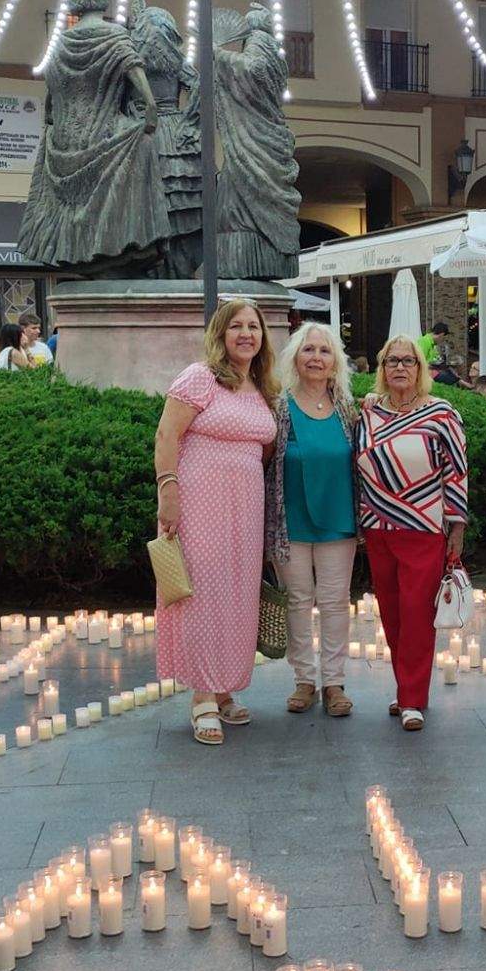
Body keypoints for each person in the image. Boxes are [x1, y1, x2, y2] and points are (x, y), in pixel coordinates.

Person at [154, 299, 277, 746]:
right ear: (221, 334)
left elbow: (262, 450)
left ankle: (225, 686)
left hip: (246, 507)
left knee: (237, 593)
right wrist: (168, 491)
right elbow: (167, 434)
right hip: (199, 501)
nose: (246, 334)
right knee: (202, 591)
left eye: (254, 327)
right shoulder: (199, 377)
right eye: (237, 327)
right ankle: (202, 696)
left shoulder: (261, 387)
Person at [355, 335, 467, 732]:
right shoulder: (368, 414)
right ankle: (406, 687)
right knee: (392, 614)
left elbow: (455, 471)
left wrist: (457, 526)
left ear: (421, 369)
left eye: (408, 361)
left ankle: (414, 699)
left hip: (423, 527)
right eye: (391, 361)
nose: (399, 367)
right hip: (378, 527)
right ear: (382, 369)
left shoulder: (441, 413)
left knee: (418, 614)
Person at [266, 322, 358, 719]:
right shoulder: (279, 406)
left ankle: (334, 682)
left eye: (324, 351)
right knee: (298, 603)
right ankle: (304, 680)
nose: (316, 358)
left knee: (336, 602)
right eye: (308, 351)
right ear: (295, 359)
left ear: (334, 361)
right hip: (292, 522)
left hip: (338, 519)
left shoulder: (348, 410)